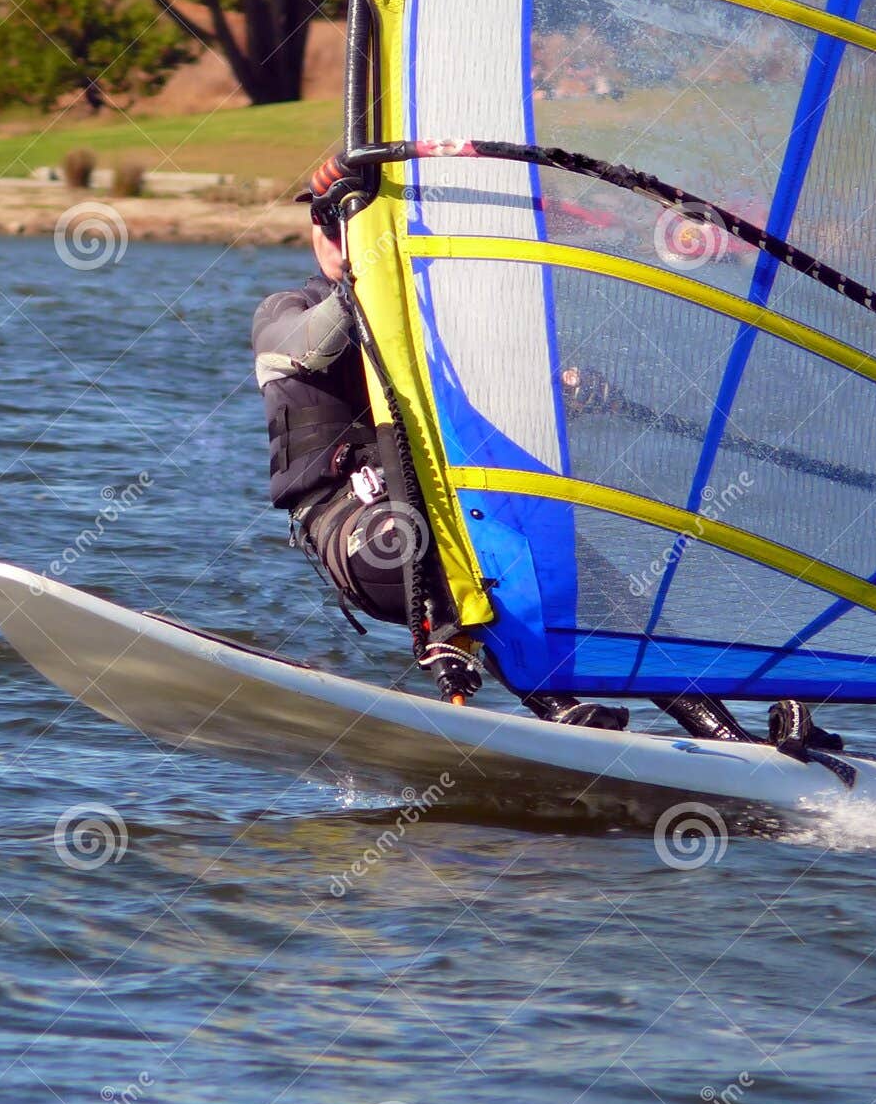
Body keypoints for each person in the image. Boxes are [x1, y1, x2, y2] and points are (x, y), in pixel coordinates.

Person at [253, 157, 628, 732]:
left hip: (457, 517)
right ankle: (549, 705)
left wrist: (567, 387)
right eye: (325, 219)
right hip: (359, 535)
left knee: (592, 577)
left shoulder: (438, 327)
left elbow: (507, 392)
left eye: (346, 219)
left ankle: (722, 723)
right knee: (445, 542)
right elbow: (308, 348)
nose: (332, 233)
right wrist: (368, 282)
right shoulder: (288, 311)